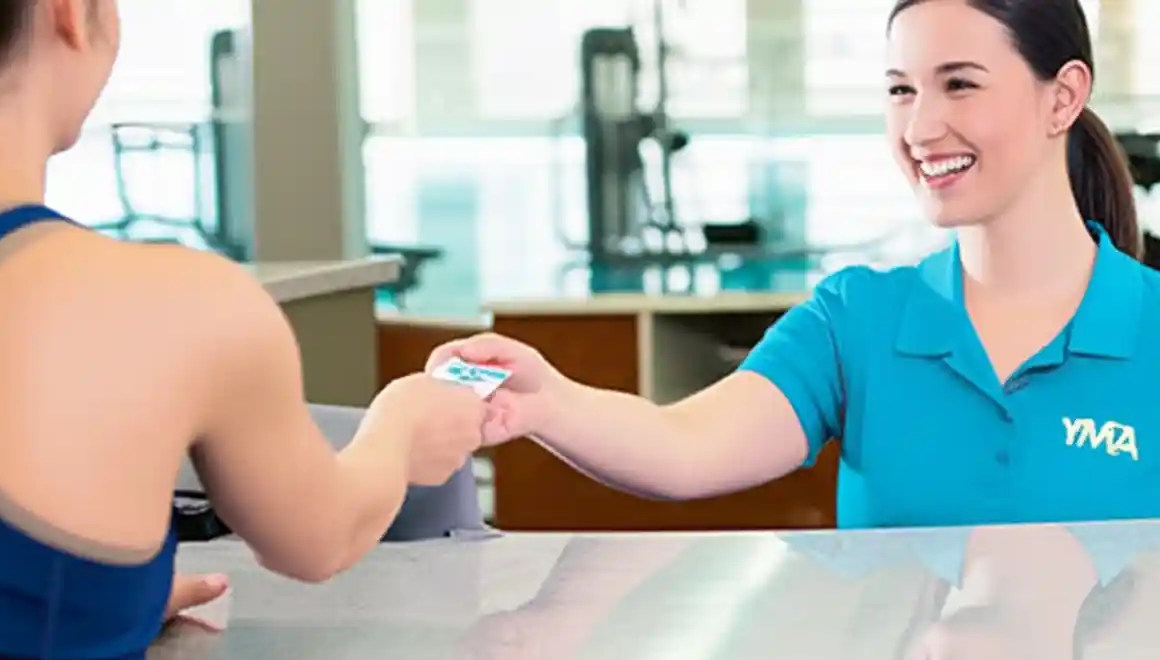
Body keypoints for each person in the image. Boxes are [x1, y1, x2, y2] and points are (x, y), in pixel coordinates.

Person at [0, 0, 485, 660]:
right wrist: (403, 427)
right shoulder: (176, 304)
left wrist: (107, 597)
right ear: (70, 13)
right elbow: (323, 536)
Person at [430, 0, 1159, 529]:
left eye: (959, 83)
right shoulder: (858, 322)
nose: (919, 127)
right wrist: (547, 401)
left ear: (1062, 96)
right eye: (901, 88)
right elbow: (684, 448)